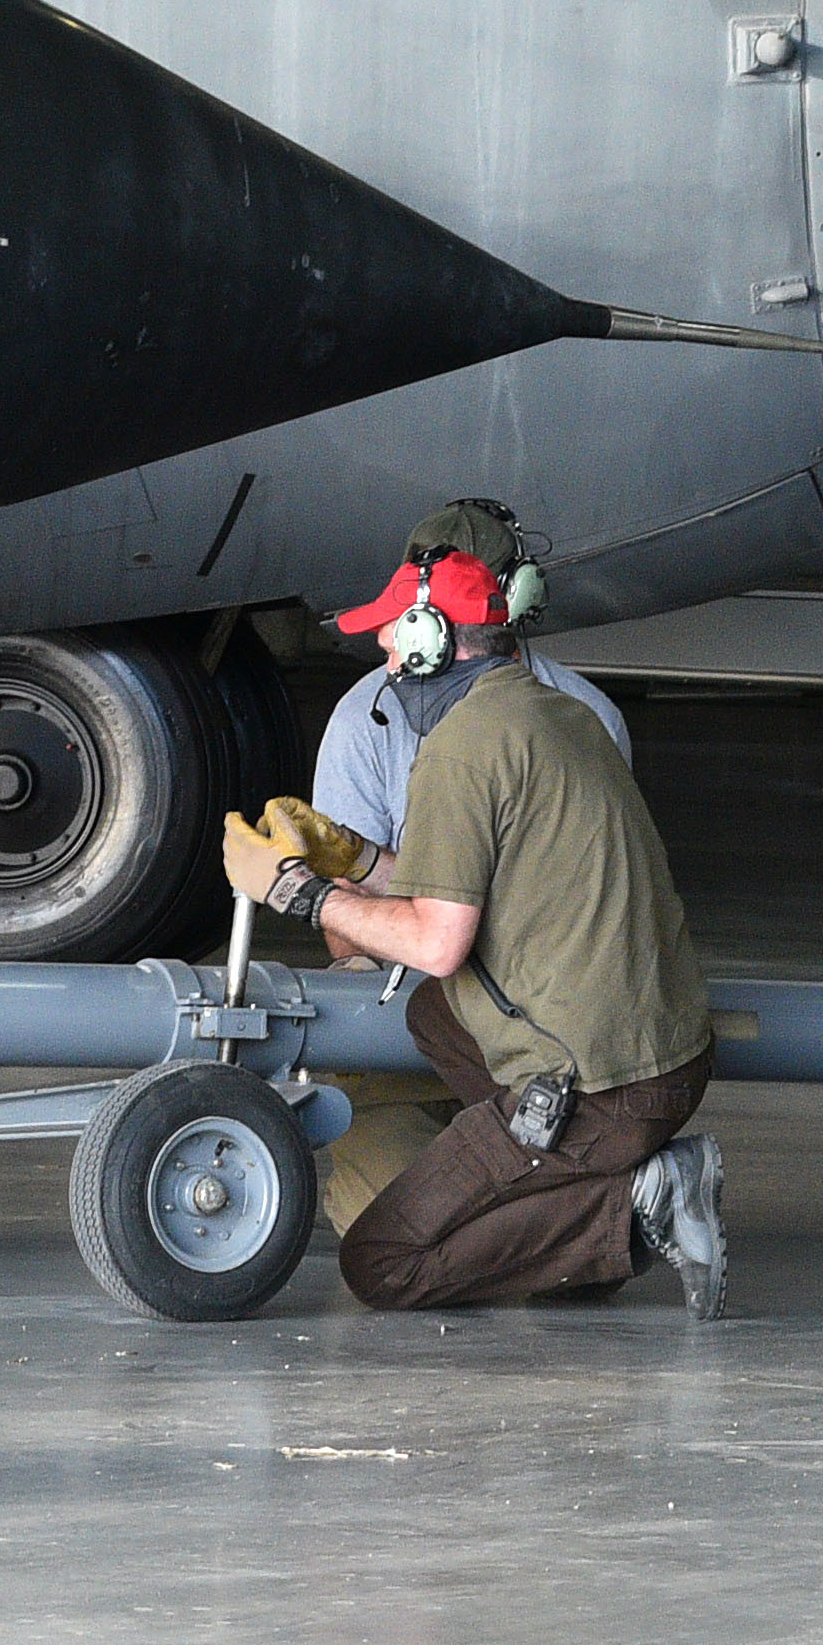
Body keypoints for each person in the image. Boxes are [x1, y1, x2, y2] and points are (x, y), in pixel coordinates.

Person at [224, 508, 727, 1314]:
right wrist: (348, 858)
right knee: (435, 1018)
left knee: (382, 1261)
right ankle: (559, 1173)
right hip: (660, 1045)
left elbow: (438, 940)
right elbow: (463, 890)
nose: (381, 655)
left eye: (389, 638)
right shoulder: (559, 711)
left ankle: (637, 1196)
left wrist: (292, 889)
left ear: (428, 640)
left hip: (604, 1086)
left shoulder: (458, 751)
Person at [281, 498, 630, 1235]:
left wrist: (304, 895)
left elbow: (460, 937)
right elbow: (358, 955)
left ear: (423, 625)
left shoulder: (565, 721)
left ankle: (564, 1214)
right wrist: (361, 871)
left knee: (396, 1239)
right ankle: (570, 1209)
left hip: (535, 1039)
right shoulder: (366, 719)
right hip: (425, 1026)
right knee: (407, 1205)